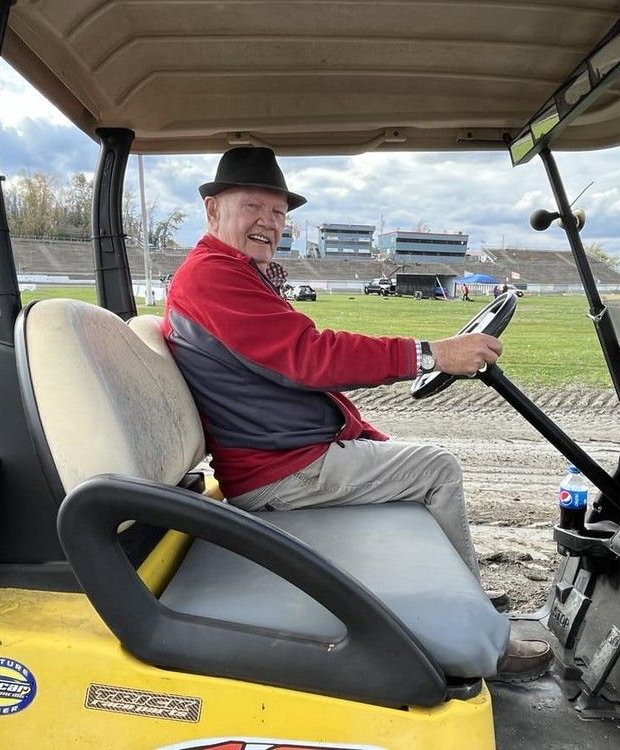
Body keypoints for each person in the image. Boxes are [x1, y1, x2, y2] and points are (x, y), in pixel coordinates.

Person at [162, 146, 551, 680]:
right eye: (253, 206)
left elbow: (288, 370)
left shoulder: (235, 273)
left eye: (278, 213)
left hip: (287, 454)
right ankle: (482, 640)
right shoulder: (213, 277)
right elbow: (310, 357)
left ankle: (462, 600)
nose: (269, 223)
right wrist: (431, 354)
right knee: (437, 468)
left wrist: (366, 435)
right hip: (280, 472)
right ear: (213, 210)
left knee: (411, 462)